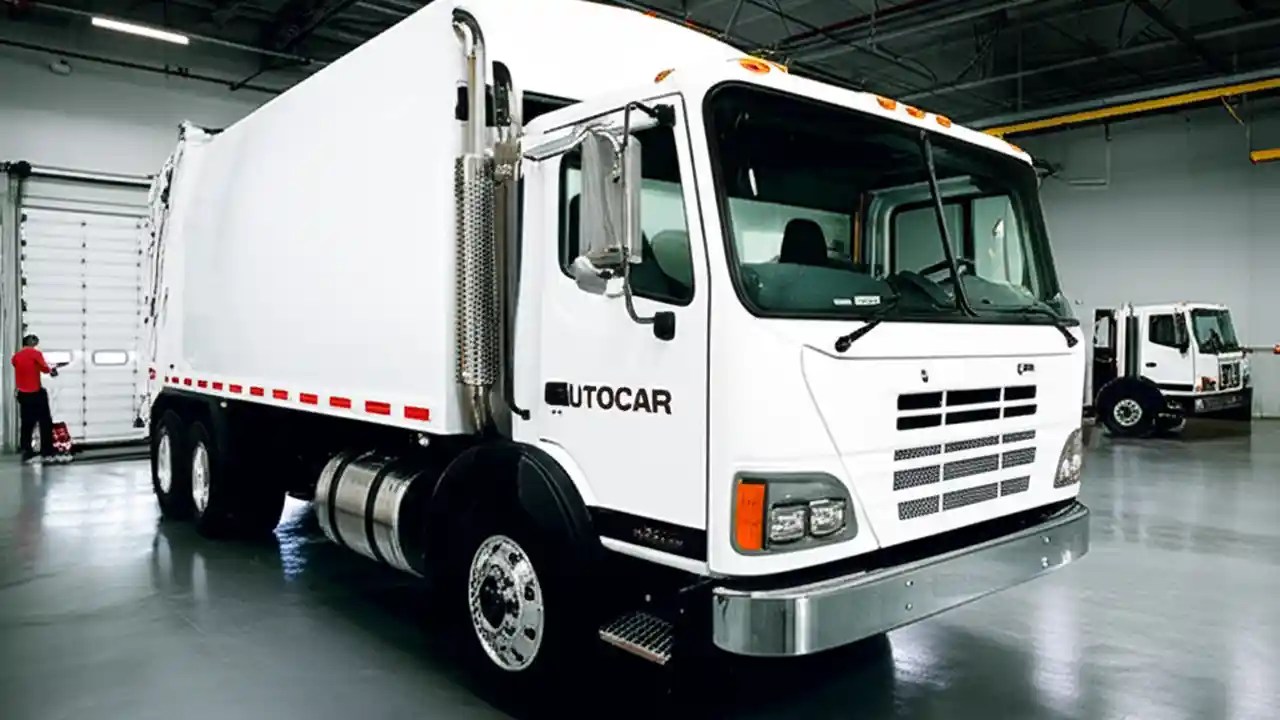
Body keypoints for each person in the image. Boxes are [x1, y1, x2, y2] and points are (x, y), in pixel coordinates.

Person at [12, 334, 57, 463]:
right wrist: (52, 370)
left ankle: (26, 451)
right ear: (32, 342)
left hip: (22, 394)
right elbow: (44, 368)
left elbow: (23, 367)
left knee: (27, 423)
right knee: (45, 421)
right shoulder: (35, 354)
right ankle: (47, 451)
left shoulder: (16, 356)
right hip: (35, 393)